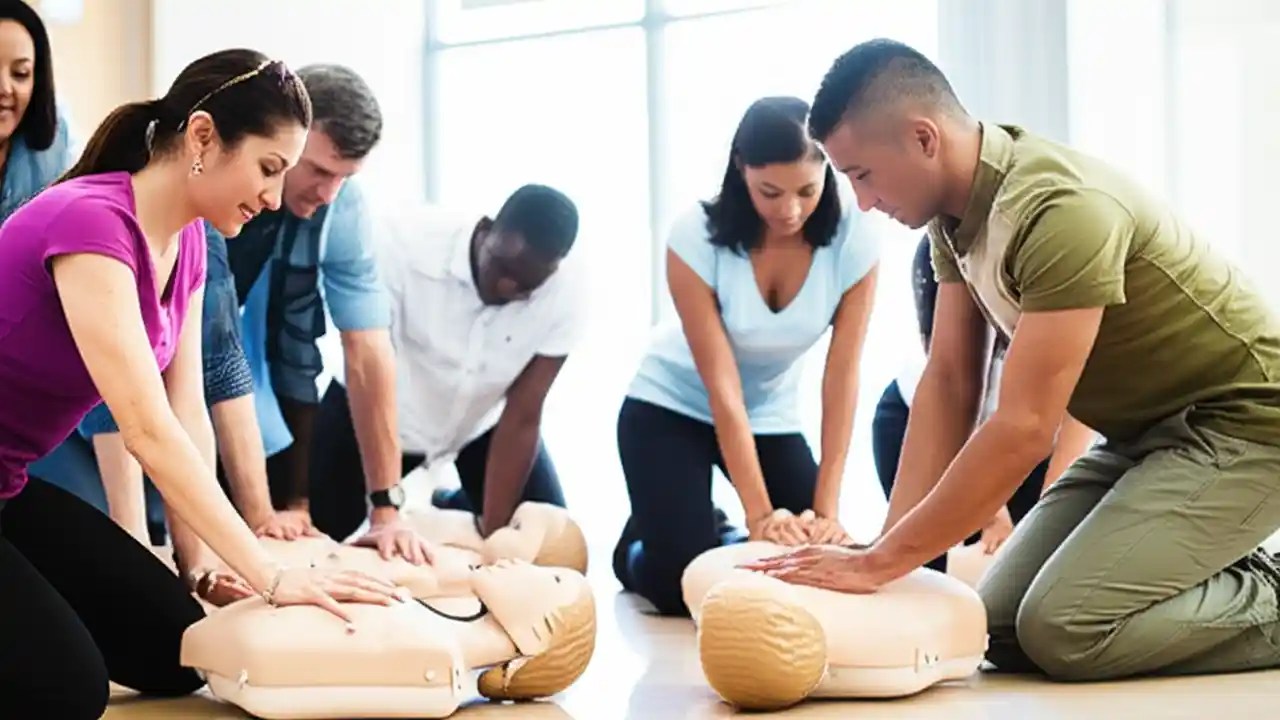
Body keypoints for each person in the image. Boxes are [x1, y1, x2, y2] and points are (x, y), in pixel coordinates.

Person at [748, 38, 1280, 682]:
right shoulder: (952, 217)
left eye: (861, 175)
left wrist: (883, 561)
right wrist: (885, 552)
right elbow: (947, 383)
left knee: (1064, 629)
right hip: (1147, 439)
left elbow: (1027, 425)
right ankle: (1205, 560)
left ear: (923, 139)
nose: (860, 202)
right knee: (990, 624)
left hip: (1246, 429)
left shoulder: (1059, 210)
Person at [0, 49, 401, 719]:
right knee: (65, 692)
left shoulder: (185, 246)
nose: (276, 197)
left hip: (8, 486)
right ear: (205, 137)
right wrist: (272, 572)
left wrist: (210, 564)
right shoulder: (91, 224)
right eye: (269, 168)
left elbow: (186, 416)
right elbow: (146, 429)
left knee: (174, 652)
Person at [75, 63, 432, 562]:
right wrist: (253, 534)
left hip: (201, 392)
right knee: (105, 543)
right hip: (90, 403)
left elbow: (358, 348)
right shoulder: (194, 203)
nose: (328, 195)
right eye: (315, 171)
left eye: (345, 180)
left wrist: (381, 509)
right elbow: (211, 361)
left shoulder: (338, 208)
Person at [613, 96, 880, 616]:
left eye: (807, 189)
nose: (790, 210)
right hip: (669, 409)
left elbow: (842, 377)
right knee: (679, 586)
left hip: (769, 417)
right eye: (770, 192)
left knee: (815, 551)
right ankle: (641, 542)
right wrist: (759, 515)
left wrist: (826, 509)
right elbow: (723, 388)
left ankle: (705, 524)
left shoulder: (854, 241)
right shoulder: (694, 237)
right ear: (741, 169)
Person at [309, 184, 583, 542]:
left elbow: (524, 414)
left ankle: (454, 505)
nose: (506, 286)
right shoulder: (403, 243)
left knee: (542, 545)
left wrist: (495, 538)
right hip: (377, 414)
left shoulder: (568, 292)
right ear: (485, 229)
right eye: (501, 266)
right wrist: (385, 508)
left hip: (481, 425)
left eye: (525, 284)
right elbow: (366, 360)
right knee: (318, 536)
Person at [871, 234, 1096, 568]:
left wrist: (1048, 528)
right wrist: (991, 514)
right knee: (925, 557)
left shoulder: (1073, 291)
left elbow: (1074, 425)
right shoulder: (963, 294)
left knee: (1040, 549)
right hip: (920, 421)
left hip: (1026, 436)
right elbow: (955, 401)